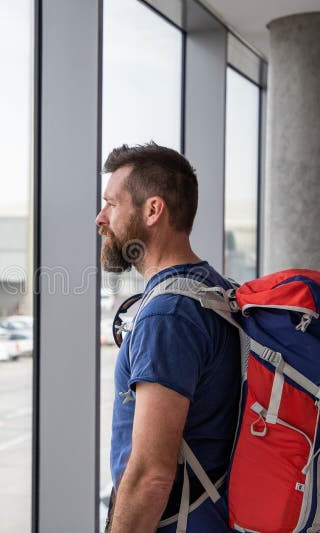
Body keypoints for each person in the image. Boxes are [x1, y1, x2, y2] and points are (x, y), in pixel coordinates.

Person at [96, 143, 240, 533]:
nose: (100, 217)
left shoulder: (169, 314)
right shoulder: (217, 289)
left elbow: (149, 477)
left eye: (112, 203)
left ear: (152, 210)